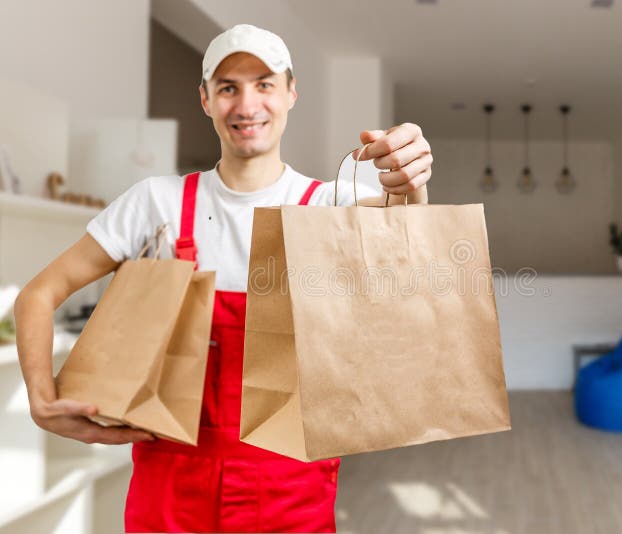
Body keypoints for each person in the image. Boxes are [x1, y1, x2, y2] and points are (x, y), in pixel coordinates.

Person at [14, 23, 433, 533]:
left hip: (291, 494)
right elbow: (38, 294)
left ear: (291, 93)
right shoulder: (158, 204)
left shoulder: (330, 205)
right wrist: (40, 398)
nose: (246, 103)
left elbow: (407, 257)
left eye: (264, 83)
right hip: (169, 493)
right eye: (228, 87)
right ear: (206, 100)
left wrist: (408, 184)